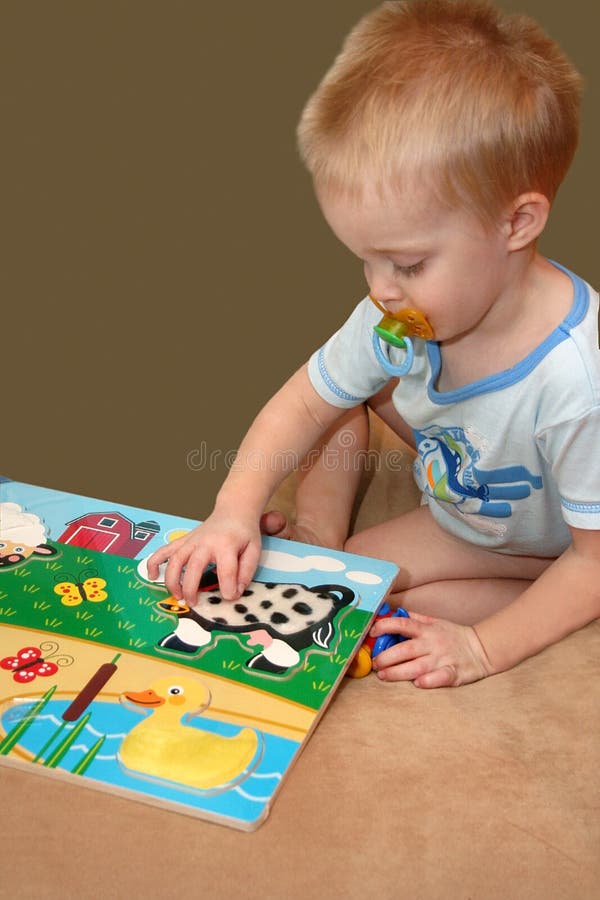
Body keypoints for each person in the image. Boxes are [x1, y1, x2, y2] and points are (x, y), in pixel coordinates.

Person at [148, 0, 600, 688]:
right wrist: (233, 508)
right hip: (468, 513)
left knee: (420, 610)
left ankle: (551, 609)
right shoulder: (402, 316)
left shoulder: (576, 379)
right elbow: (302, 403)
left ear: (517, 222)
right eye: (367, 259)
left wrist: (481, 647)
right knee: (357, 577)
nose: (383, 290)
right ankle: (320, 543)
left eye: (409, 264)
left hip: (571, 544)